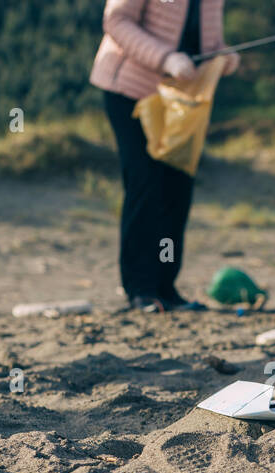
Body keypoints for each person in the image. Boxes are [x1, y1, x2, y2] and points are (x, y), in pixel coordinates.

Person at [92, 0, 240, 313]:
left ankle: (165, 286)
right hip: (130, 90)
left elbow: (206, 36)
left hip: (181, 101)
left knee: (176, 190)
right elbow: (116, 21)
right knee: (145, 184)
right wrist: (165, 58)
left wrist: (222, 55)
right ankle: (139, 288)